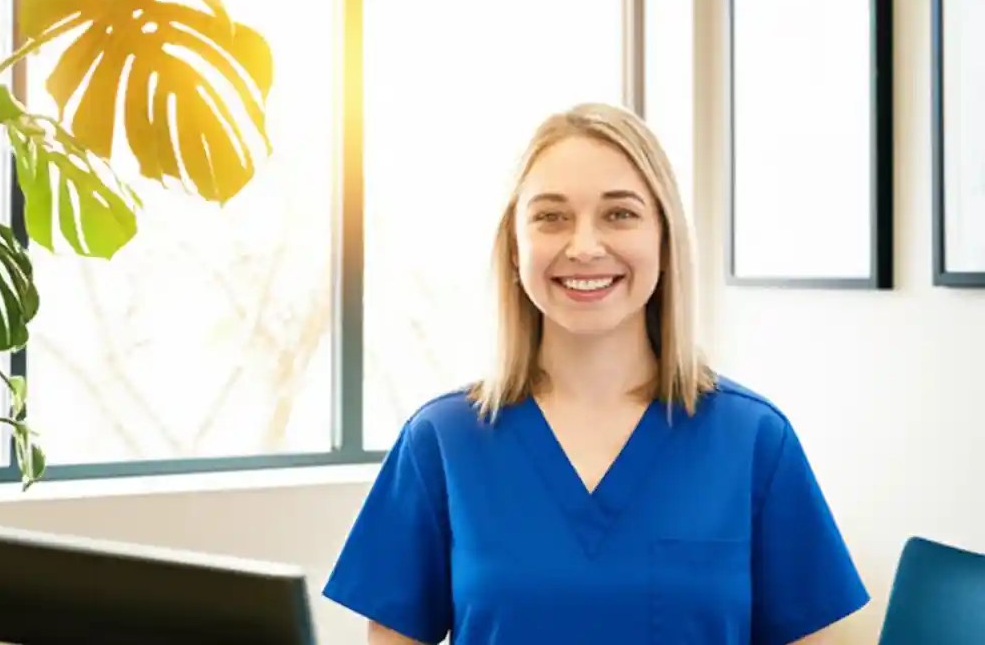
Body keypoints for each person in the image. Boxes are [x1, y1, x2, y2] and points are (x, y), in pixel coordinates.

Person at [321, 103, 869, 644]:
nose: (584, 247)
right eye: (551, 217)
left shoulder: (754, 441)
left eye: (620, 214)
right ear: (516, 248)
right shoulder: (442, 442)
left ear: (664, 239)